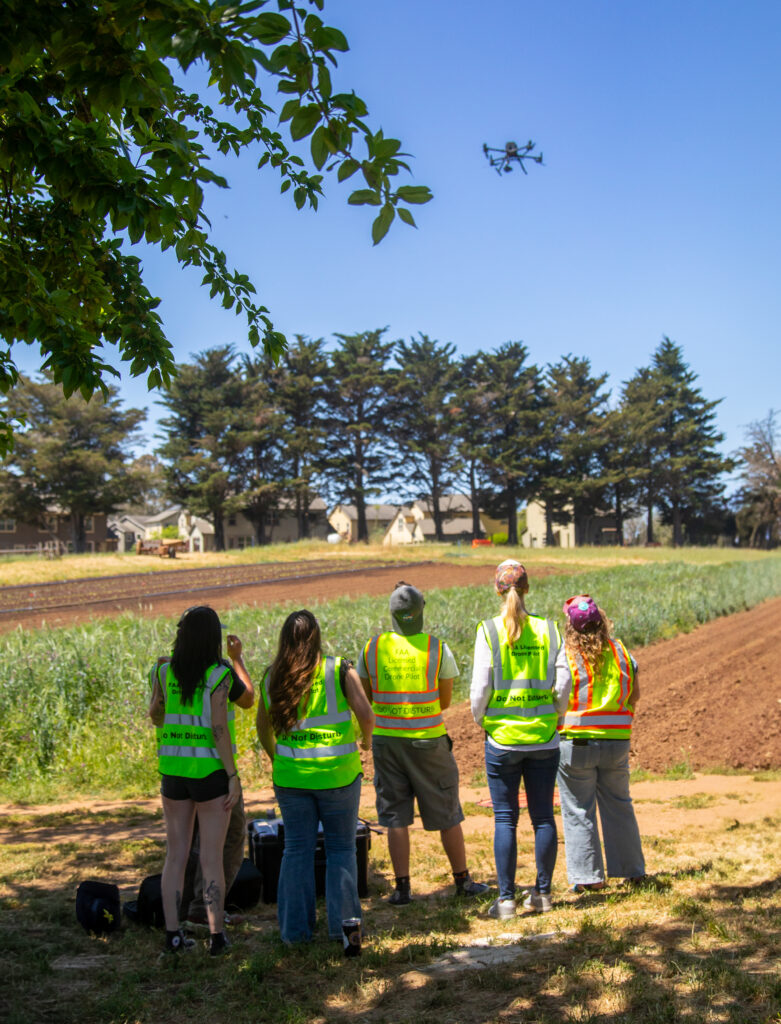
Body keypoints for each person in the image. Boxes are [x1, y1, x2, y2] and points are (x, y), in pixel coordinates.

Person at [358, 581, 489, 905]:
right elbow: (444, 701)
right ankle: (462, 880)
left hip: (387, 742)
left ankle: (402, 889)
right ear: (419, 613)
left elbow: (366, 695)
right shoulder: (436, 648)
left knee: (395, 816)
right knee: (446, 810)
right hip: (428, 740)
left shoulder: (371, 648)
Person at [256, 609, 374, 945]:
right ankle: (344, 930)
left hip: (292, 779)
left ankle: (295, 934)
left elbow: (262, 728)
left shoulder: (271, 676)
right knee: (341, 850)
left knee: (296, 851)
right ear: (317, 637)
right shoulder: (339, 669)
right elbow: (366, 714)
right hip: (339, 777)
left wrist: (276, 756)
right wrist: (366, 742)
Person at [148, 605, 252, 955]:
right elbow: (219, 728)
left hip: (173, 773)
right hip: (209, 774)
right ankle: (216, 936)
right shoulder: (218, 676)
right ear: (213, 639)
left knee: (175, 856)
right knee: (210, 858)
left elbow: (156, 716)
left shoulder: (162, 672)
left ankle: (173, 935)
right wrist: (232, 775)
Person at [471, 560, 572, 918]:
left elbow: (481, 687)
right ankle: (543, 895)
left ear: (497, 589)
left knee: (505, 818)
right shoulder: (549, 629)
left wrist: (481, 718)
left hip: (501, 740)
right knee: (544, 816)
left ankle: (507, 900)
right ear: (526, 589)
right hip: (544, 738)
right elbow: (563, 684)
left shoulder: (489, 631)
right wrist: (556, 715)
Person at [557, 594, 645, 892]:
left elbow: (558, 696)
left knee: (578, 809)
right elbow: (634, 691)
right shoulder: (621, 651)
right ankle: (632, 870)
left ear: (570, 626)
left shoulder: (565, 654)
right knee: (619, 804)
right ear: (602, 621)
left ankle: (589, 878)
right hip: (617, 741)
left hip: (576, 742)